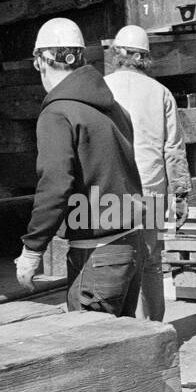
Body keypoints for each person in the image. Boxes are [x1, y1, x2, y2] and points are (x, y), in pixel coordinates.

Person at [17, 17, 144, 315]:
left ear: (43, 61)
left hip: (97, 256)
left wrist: (33, 249)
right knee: (123, 355)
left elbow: (55, 184)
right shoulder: (116, 109)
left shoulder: (58, 113)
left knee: (94, 353)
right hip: (131, 246)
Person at [103, 24, 192, 321]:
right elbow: (173, 149)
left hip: (110, 190)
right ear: (145, 58)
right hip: (151, 190)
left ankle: (116, 331)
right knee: (151, 262)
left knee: (113, 259)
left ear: (116, 54)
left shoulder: (102, 89)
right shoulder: (161, 93)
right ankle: (154, 328)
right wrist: (180, 194)